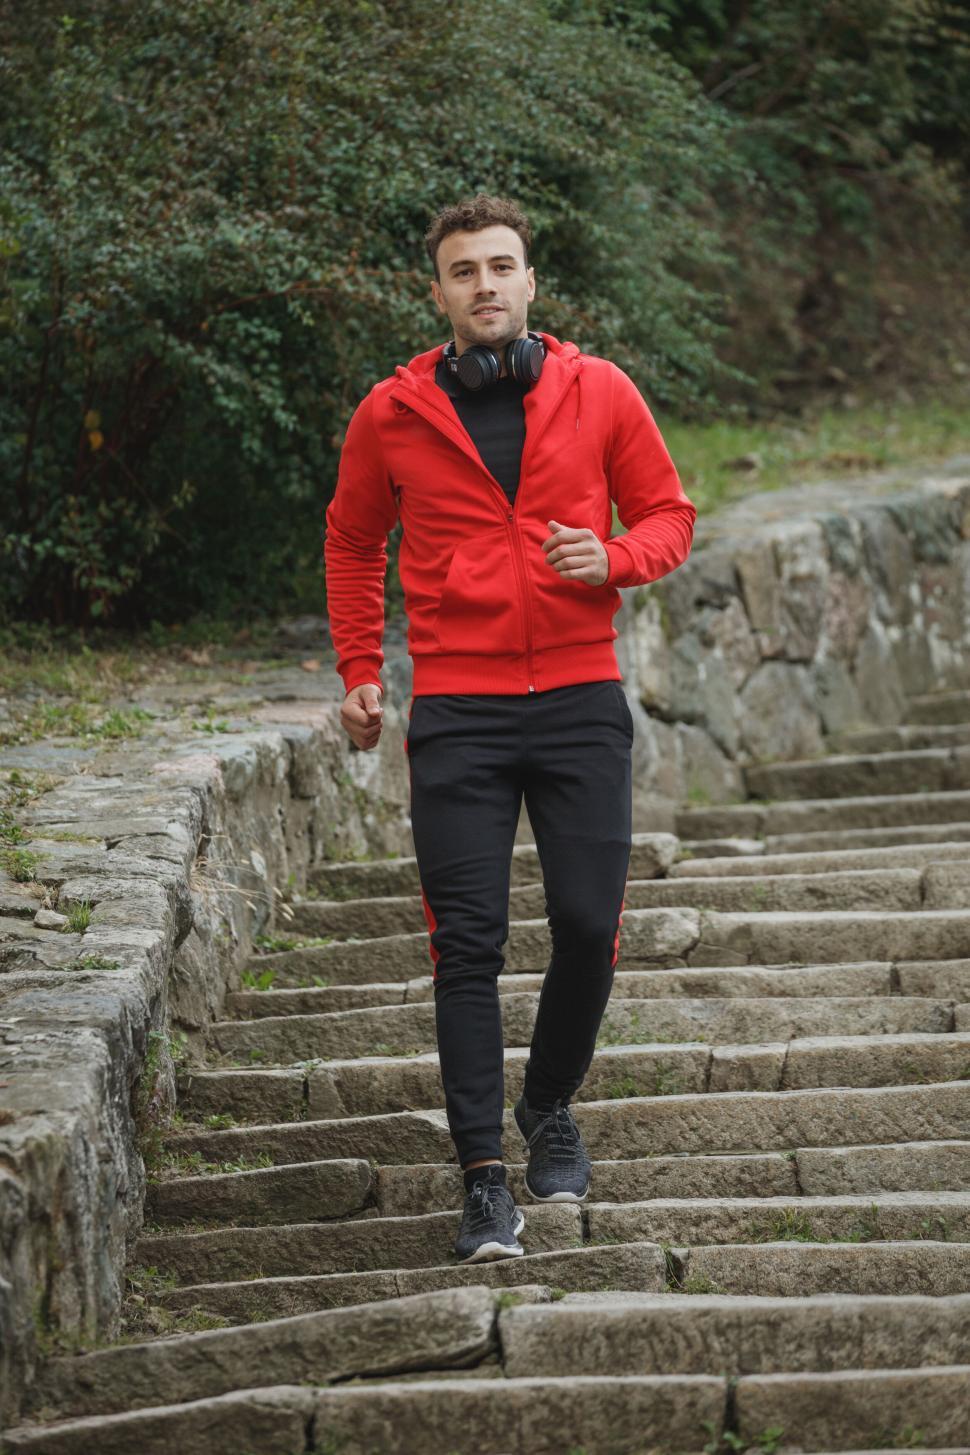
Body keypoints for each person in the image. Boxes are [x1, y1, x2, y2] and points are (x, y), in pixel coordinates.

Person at [324, 193, 696, 1264]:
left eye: (501, 266)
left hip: (579, 698)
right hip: (459, 712)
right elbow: (353, 542)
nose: (484, 285)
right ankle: (483, 1178)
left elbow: (668, 514)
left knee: (588, 924)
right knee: (466, 949)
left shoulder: (602, 391)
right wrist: (360, 673)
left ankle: (548, 1105)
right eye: (463, 271)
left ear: (531, 282)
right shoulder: (390, 414)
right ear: (435, 290)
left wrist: (613, 559)